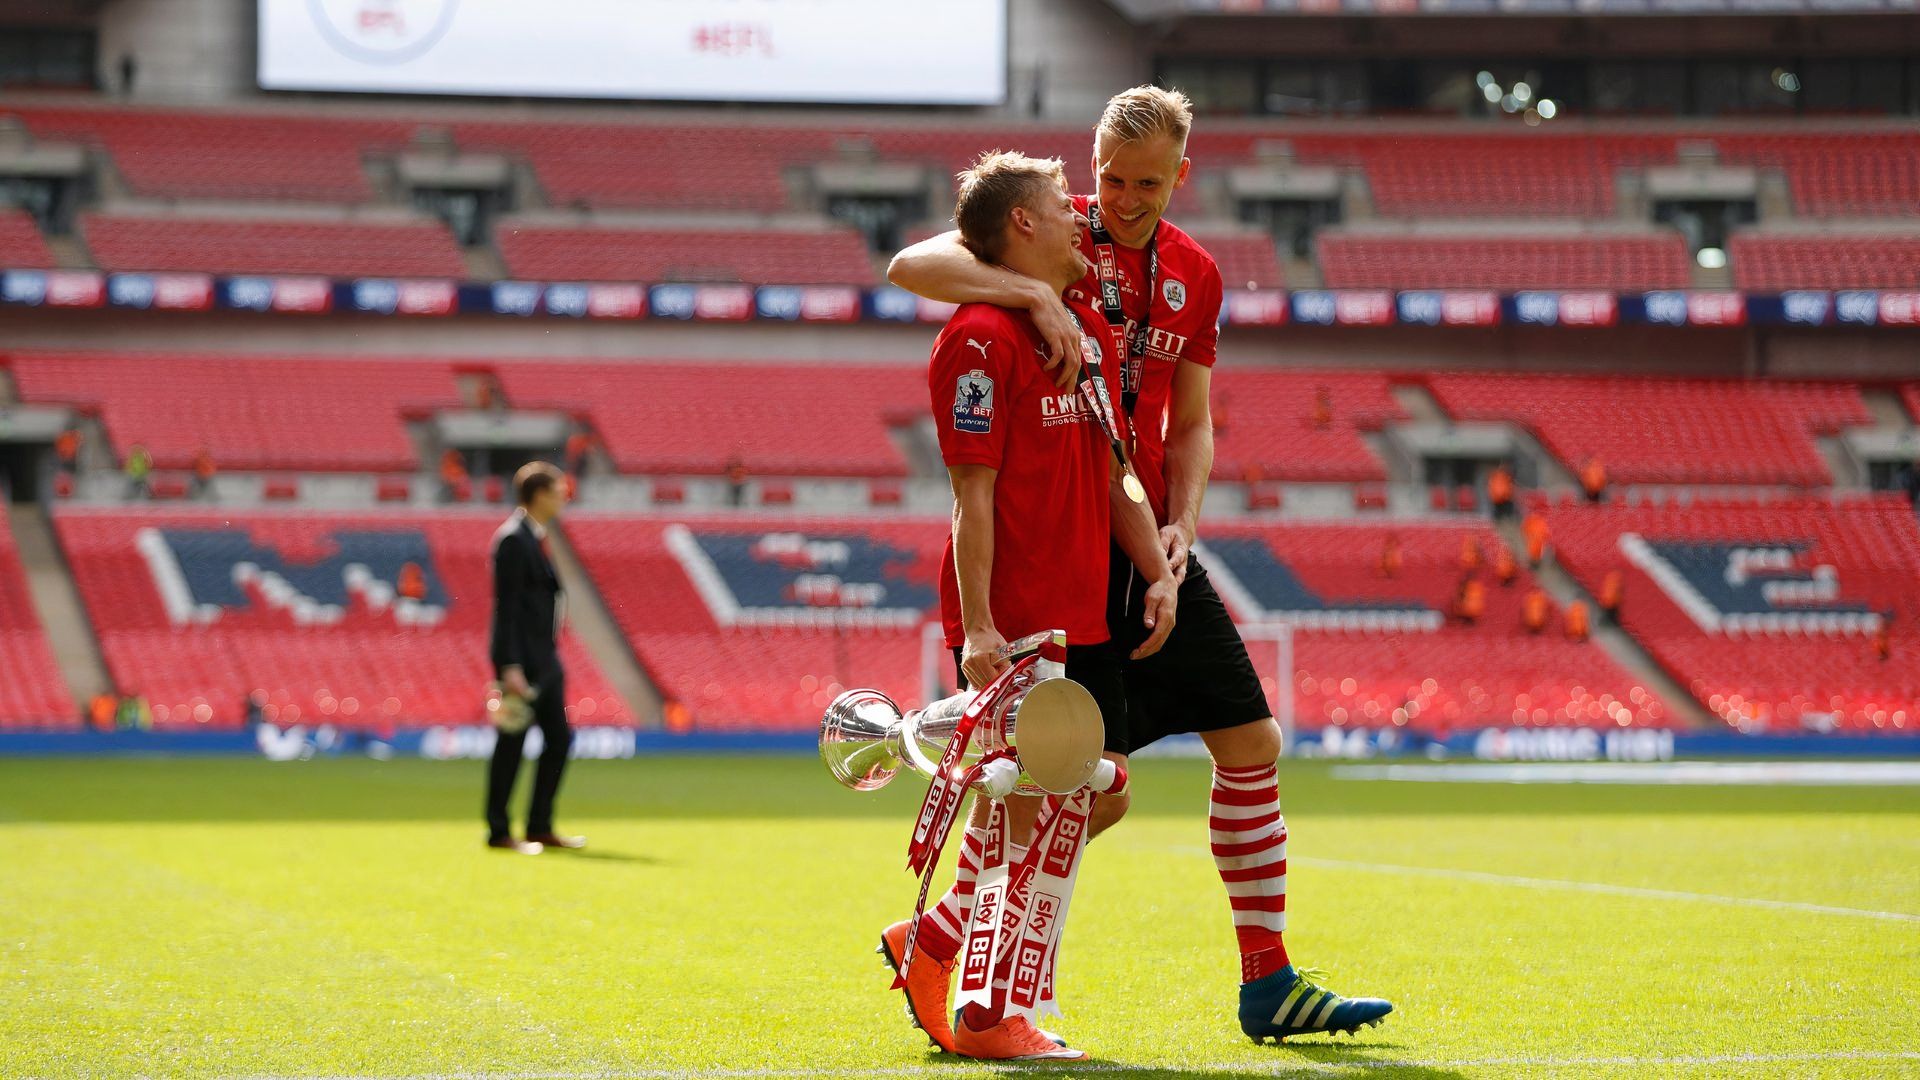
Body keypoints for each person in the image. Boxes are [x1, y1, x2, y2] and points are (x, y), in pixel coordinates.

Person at [887, 86, 1390, 1047]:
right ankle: (954, 949)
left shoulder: (1193, 273)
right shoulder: (1054, 233)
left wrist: (1182, 531)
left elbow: (1189, 422)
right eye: (1108, 178)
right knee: (1081, 786)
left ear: (1180, 177)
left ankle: (1267, 980)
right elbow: (918, 261)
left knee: (1249, 741)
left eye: (1144, 184)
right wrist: (1031, 290)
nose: (1119, 200)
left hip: (1140, 530)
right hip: (1068, 543)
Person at [879, 149, 1177, 1061]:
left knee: (1087, 797)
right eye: (1061, 203)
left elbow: (1111, 471)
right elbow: (972, 496)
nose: (1083, 215)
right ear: (1022, 227)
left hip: (1082, 608)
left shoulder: (1079, 317)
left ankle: (934, 945)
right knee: (1031, 814)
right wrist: (979, 630)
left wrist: (1157, 567)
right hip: (1016, 620)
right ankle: (986, 1015)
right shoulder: (977, 337)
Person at [485, 462, 582, 855]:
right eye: (559, 490)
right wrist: (509, 667)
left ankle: (540, 825)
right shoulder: (512, 540)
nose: (564, 496)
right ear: (539, 494)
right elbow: (505, 608)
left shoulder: (532, 538)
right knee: (511, 745)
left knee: (559, 740)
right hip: (522, 664)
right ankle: (499, 830)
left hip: (545, 661)